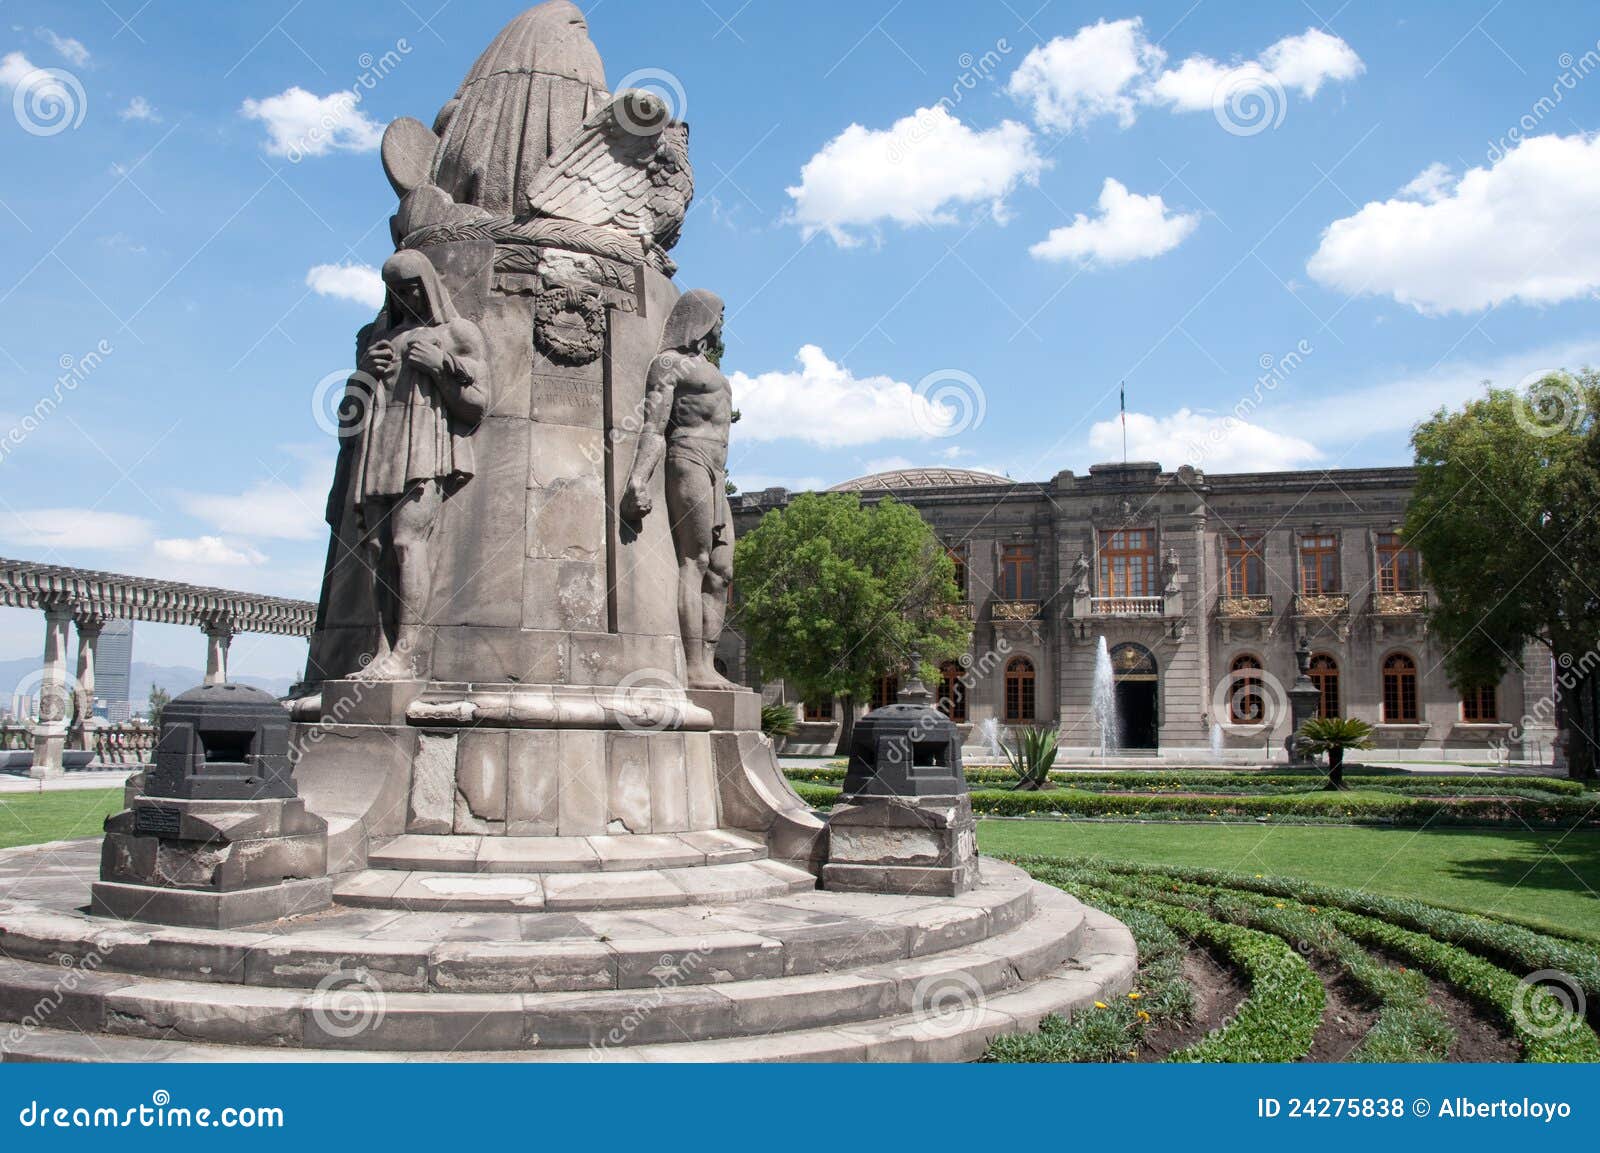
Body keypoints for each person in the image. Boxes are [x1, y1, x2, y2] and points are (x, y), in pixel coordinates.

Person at [350, 249, 490, 680]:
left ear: (428, 285)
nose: (405, 295)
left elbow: (478, 405)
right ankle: (381, 649)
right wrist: (363, 376)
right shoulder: (380, 336)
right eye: (396, 289)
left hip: (424, 449)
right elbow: (349, 413)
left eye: (412, 287)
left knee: (407, 542)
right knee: (376, 550)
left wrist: (442, 368)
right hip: (379, 446)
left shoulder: (458, 333)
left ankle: (407, 652)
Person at [622, 289, 739, 690]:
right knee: (697, 559)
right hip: (687, 458)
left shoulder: (713, 371)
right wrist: (638, 477)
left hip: (718, 473)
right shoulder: (670, 363)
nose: (723, 325)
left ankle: (707, 662)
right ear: (701, 317)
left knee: (722, 572)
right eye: (719, 316)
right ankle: (693, 667)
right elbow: (654, 426)